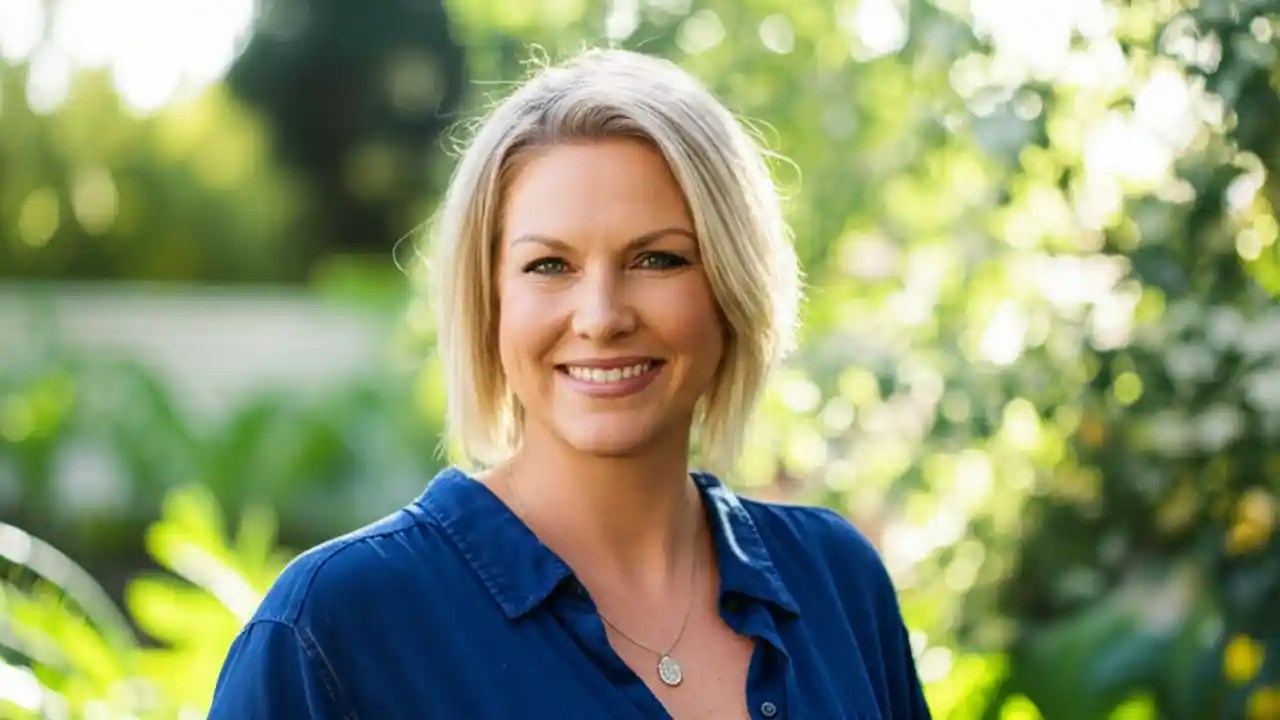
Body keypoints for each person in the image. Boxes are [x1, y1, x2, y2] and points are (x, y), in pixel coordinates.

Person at [208, 48, 930, 719]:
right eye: (549, 266)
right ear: (488, 301)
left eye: (658, 259)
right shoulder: (331, 629)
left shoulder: (837, 582)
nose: (602, 316)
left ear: (733, 286)